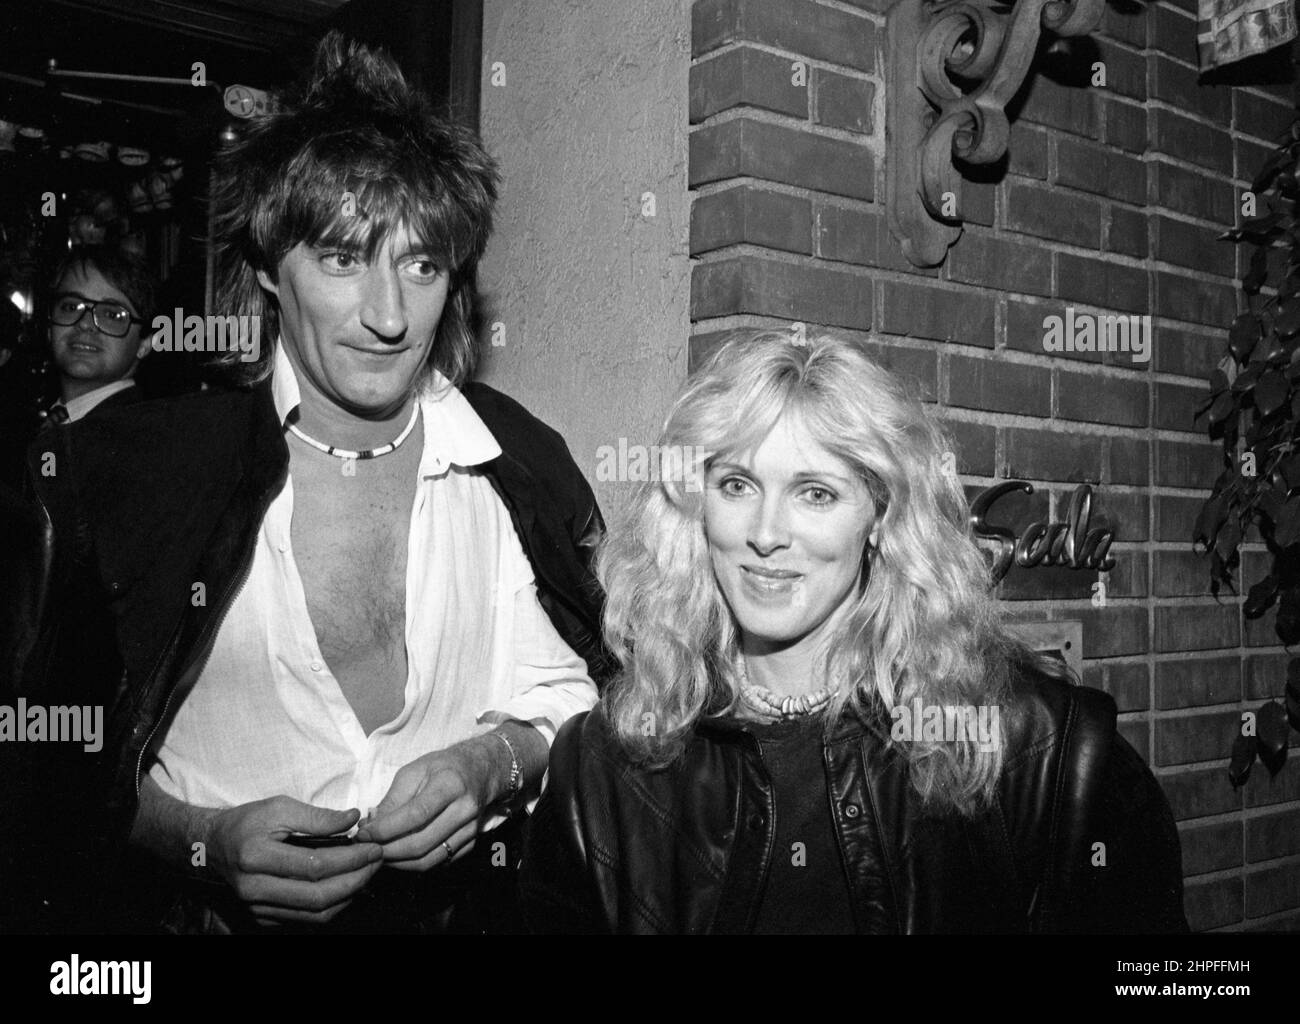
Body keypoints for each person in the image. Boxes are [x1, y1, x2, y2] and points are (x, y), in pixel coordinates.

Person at [3, 32, 608, 934]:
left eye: (421, 264)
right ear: (265, 272)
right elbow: (49, 763)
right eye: (341, 258)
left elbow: (579, 698)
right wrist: (198, 840)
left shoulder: (515, 465)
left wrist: (497, 765)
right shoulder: (132, 475)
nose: (390, 316)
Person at [518, 330, 1188, 935]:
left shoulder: (1045, 752)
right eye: (736, 484)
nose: (766, 533)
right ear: (696, 507)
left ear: (880, 517)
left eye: (816, 493)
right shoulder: (602, 770)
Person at [43, 245, 155, 425]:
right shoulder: (28, 424)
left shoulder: (141, 436)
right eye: (71, 307)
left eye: (111, 315)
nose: (85, 323)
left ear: (145, 344)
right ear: (49, 327)